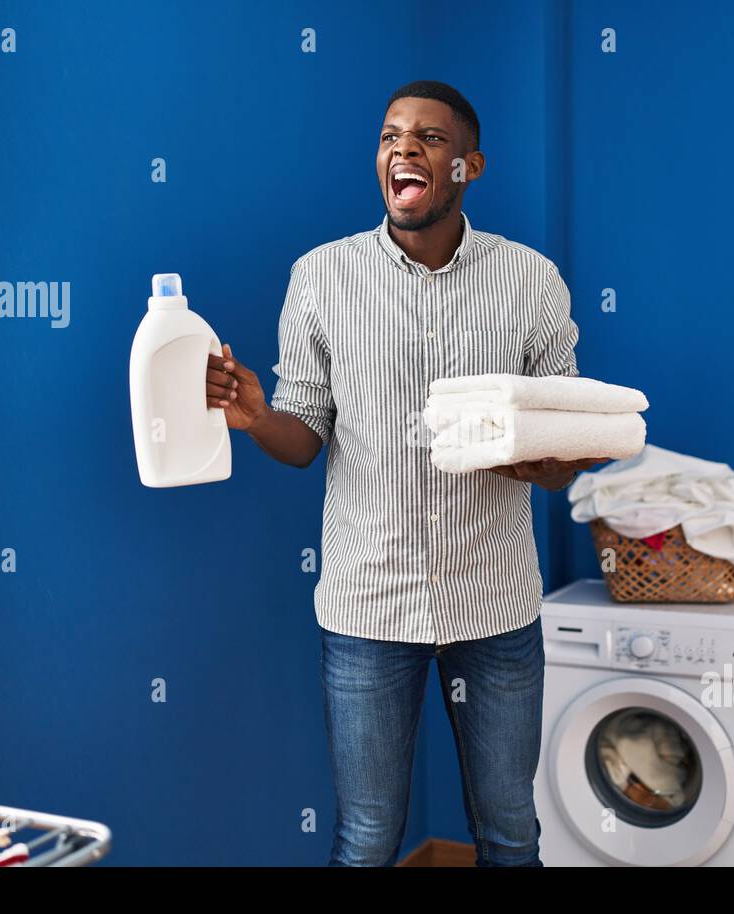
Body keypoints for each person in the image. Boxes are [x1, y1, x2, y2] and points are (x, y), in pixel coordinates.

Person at [204, 80, 606, 866]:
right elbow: (304, 436)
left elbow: (562, 447)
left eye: (428, 137)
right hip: (367, 607)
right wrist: (256, 419)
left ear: (469, 166)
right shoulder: (320, 277)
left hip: (494, 605)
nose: (404, 149)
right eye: (391, 136)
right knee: (364, 841)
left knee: (512, 834)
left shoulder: (531, 281)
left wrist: (557, 462)